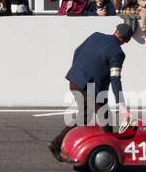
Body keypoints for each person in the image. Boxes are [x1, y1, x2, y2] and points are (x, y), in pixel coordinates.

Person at [48, 24, 134, 159]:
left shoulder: (96, 35)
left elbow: (77, 50)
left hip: (75, 80)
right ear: (127, 40)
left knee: (85, 116)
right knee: (105, 118)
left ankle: (59, 144)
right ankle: (110, 153)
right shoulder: (117, 53)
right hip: (90, 88)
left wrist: (77, 69)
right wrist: (123, 107)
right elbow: (115, 79)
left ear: (115, 30)